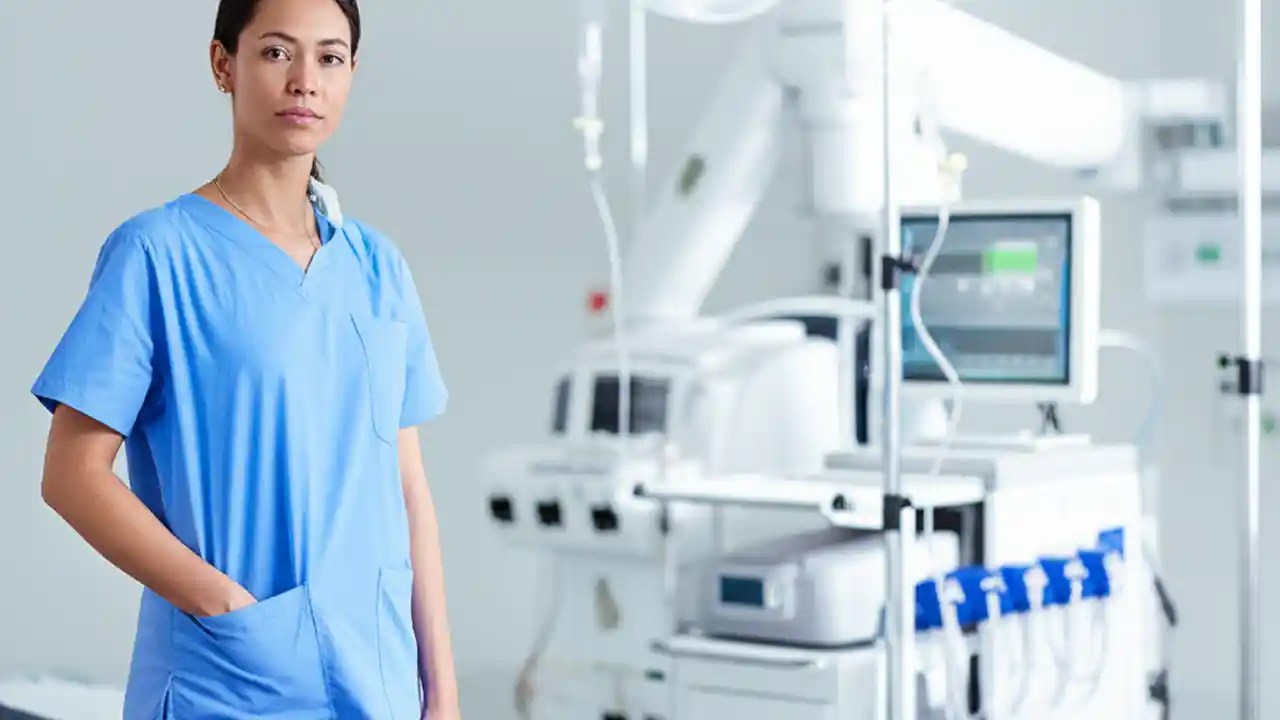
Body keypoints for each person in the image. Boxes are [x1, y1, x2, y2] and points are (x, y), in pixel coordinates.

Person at [30, 0, 461, 717]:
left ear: (352, 72)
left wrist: (440, 691)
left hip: (378, 674)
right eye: (275, 53)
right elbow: (71, 476)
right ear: (223, 64)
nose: (304, 81)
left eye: (329, 58)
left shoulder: (378, 268)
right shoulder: (157, 254)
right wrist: (226, 606)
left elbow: (407, 490)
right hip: (231, 678)